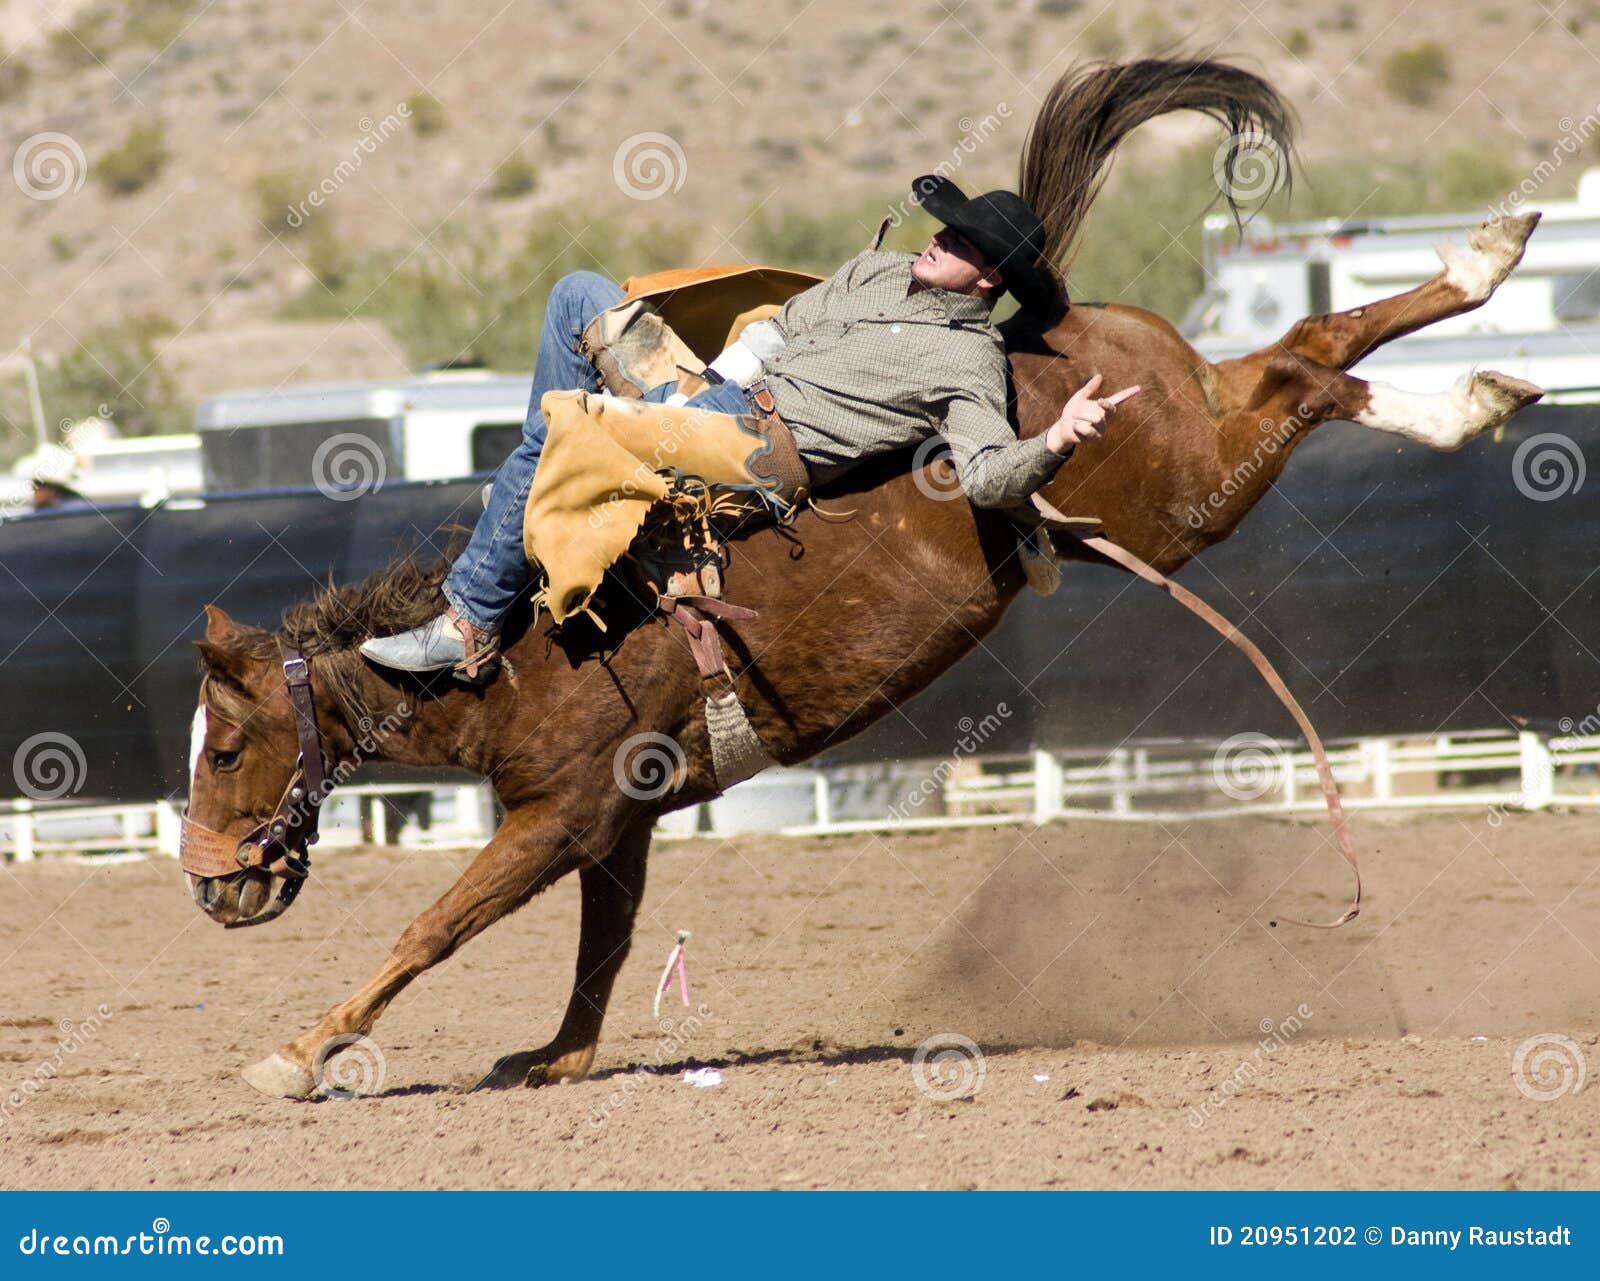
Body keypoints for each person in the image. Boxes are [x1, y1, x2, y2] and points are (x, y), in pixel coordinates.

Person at [362, 175, 1141, 684]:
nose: (937, 238)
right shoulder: (877, 271)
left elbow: (985, 476)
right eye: (945, 228)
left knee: (565, 429)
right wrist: (721, 373)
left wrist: (1056, 441)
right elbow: (790, 322)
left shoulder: (969, 363)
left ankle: (468, 623)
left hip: (759, 455)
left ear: (990, 277)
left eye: (960, 241)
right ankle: (532, 492)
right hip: (723, 399)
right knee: (576, 294)